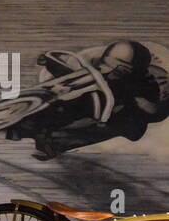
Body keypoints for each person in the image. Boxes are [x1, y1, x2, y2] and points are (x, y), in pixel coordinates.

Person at [12, 40, 169, 160]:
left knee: (121, 124)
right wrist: (50, 63)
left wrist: (137, 102)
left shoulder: (152, 84)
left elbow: (156, 112)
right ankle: (31, 121)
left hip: (119, 109)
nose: (110, 72)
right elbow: (70, 66)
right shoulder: (93, 58)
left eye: (119, 71)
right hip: (92, 93)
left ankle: (55, 143)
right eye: (107, 65)